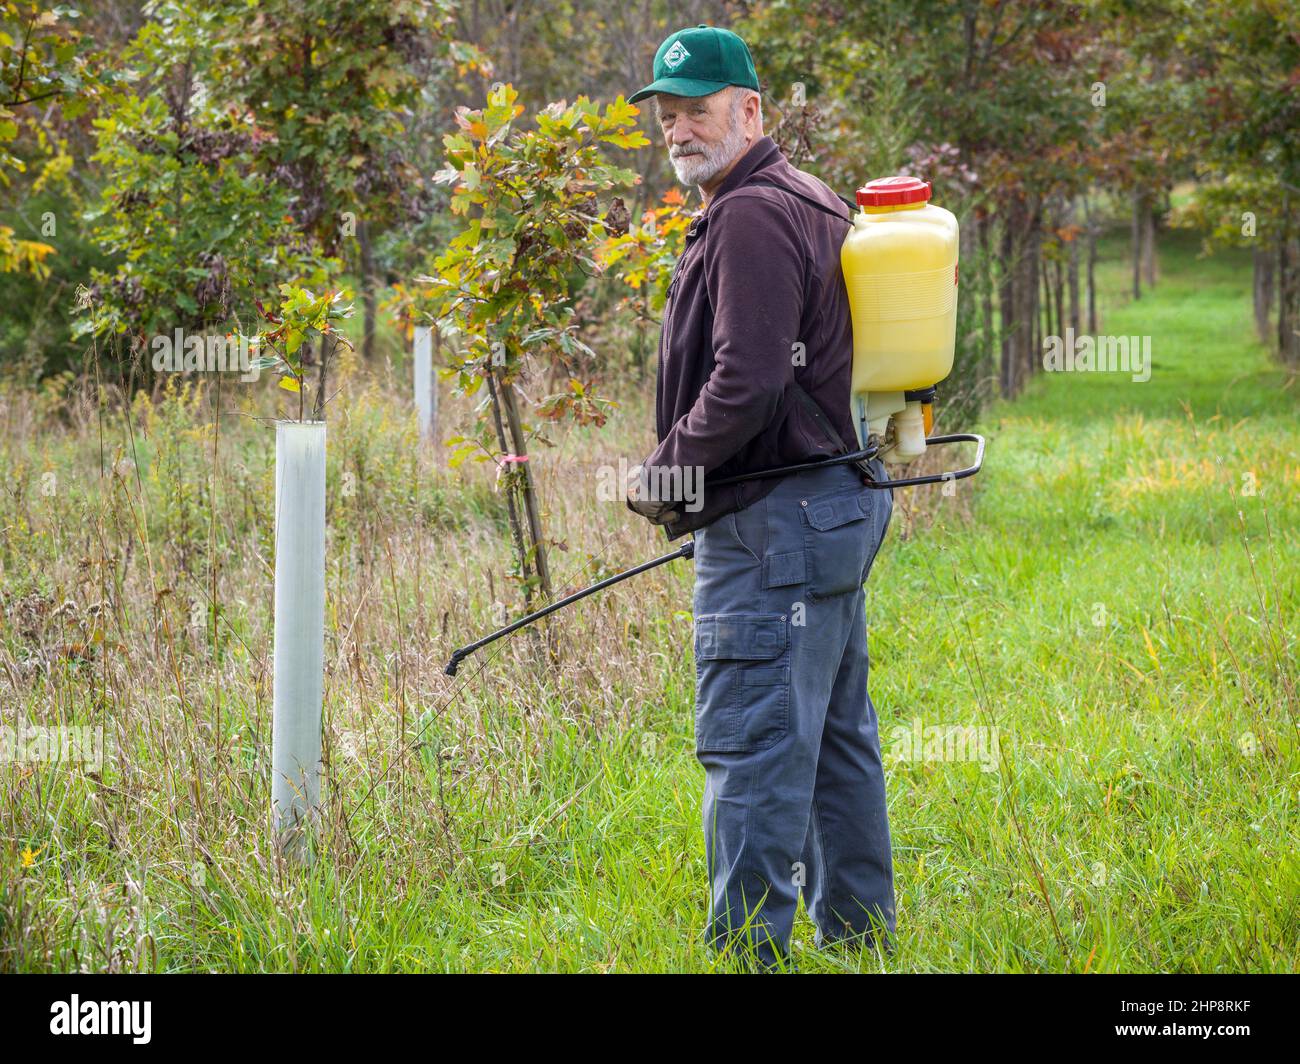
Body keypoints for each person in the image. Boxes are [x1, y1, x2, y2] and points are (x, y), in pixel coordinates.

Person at [624, 24, 897, 970]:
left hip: (777, 522)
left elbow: (749, 382)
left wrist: (666, 476)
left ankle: (748, 958)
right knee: (832, 740)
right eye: (666, 115)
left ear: (749, 110)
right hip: (832, 504)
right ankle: (860, 944)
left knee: (751, 747)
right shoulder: (809, 196)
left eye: (696, 110)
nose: (678, 130)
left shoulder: (748, 212)